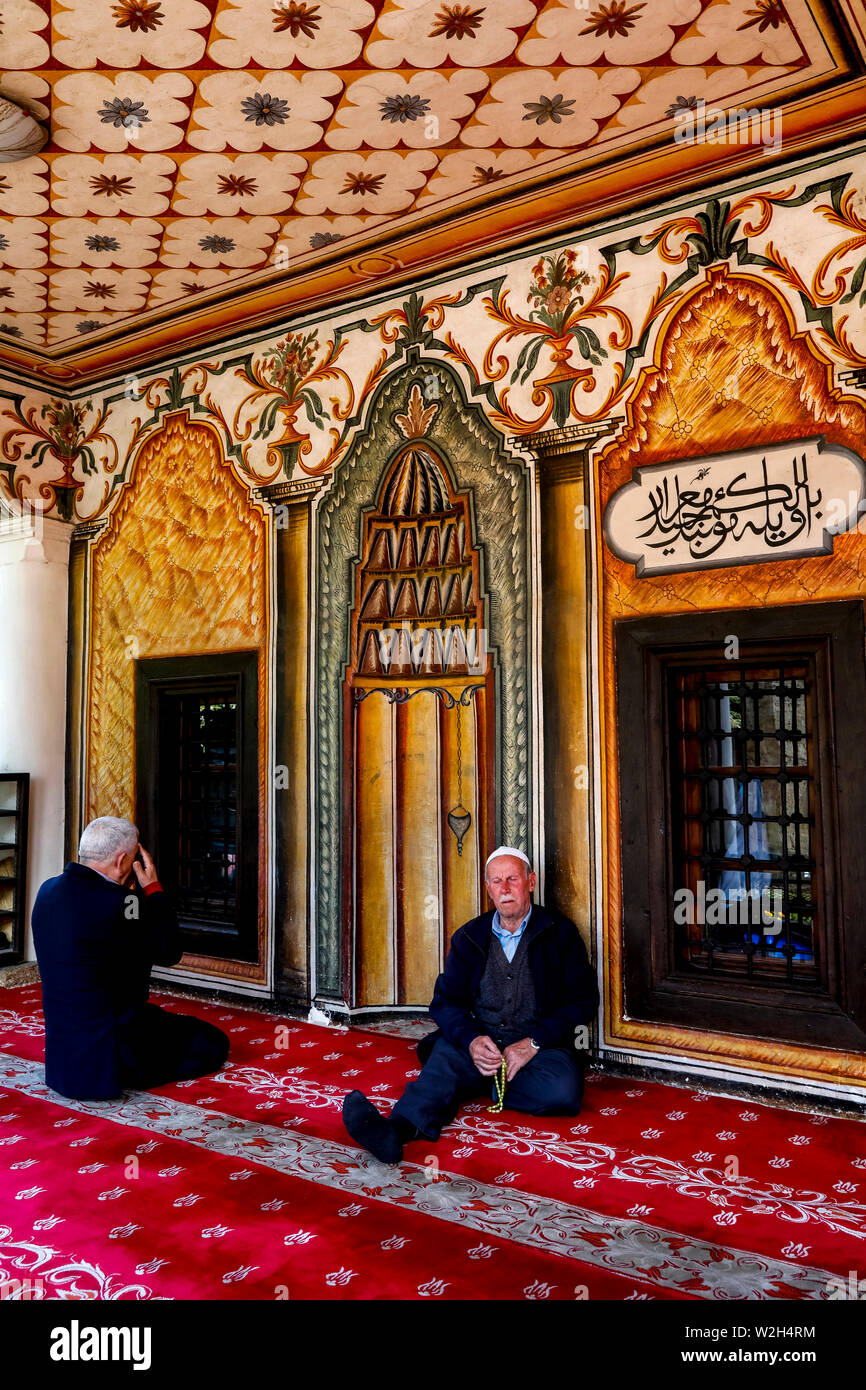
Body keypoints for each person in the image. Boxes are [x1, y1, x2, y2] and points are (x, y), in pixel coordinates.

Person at [342, 846, 599, 1164]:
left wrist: (534, 1043)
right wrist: (472, 1040)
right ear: (488, 888)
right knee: (442, 1065)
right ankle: (395, 1131)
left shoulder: (560, 934)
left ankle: (478, 1083)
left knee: (563, 1092)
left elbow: (583, 1001)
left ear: (530, 882)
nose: (505, 889)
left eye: (512, 879)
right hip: (480, 1041)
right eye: (496, 881)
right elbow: (445, 1003)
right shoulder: (469, 936)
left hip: (538, 1047)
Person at [31, 816, 230, 1101]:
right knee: (212, 1040)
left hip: (64, 1056)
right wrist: (153, 889)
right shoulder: (126, 903)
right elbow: (170, 951)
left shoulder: (47, 889)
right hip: (112, 1053)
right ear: (124, 859)